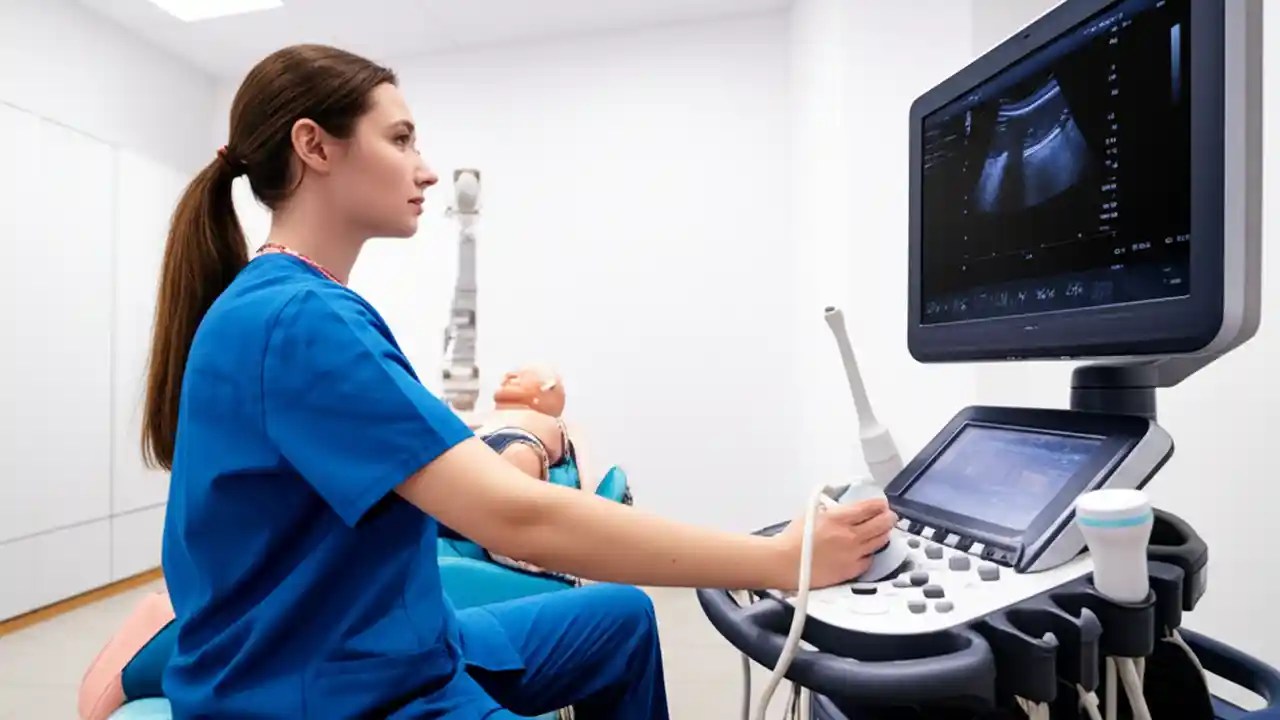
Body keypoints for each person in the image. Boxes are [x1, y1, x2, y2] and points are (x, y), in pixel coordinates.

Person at [143, 43, 896, 719]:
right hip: (321, 689)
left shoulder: (285, 303)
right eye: (400, 139)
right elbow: (516, 519)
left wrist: (521, 433)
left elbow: (401, 457)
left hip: (376, 640)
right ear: (315, 146)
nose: (425, 169)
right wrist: (779, 560)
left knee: (620, 617)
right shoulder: (300, 319)